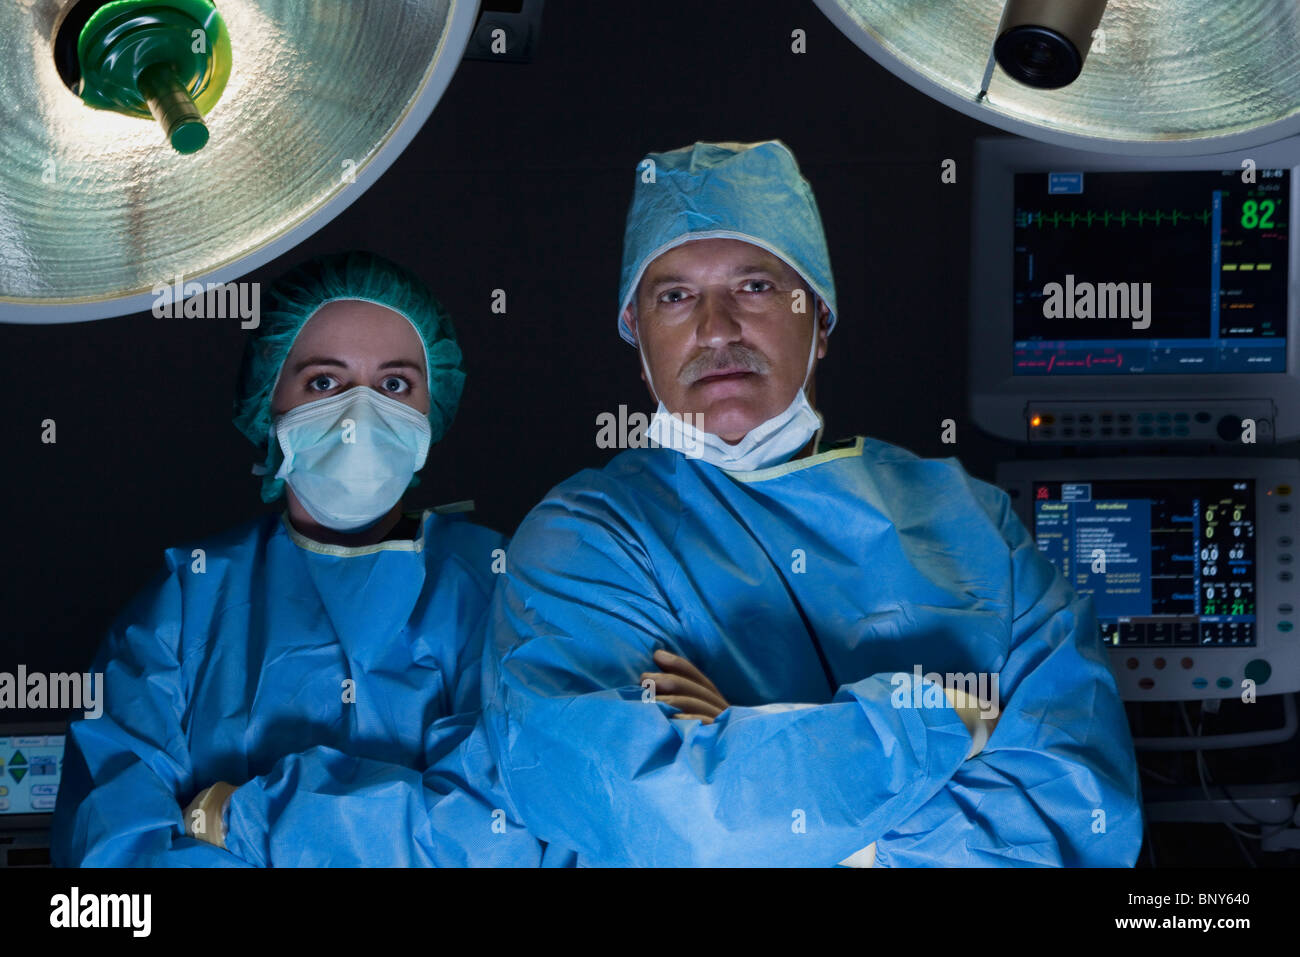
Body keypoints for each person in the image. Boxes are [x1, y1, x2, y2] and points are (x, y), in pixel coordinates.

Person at [483, 140, 1144, 867]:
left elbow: (1074, 810)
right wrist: (944, 714)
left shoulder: (969, 525)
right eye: (675, 296)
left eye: (755, 286)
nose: (715, 328)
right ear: (637, 336)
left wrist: (751, 737)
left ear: (820, 317)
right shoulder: (582, 541)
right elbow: (665, 816)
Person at [53, 251, 558, 866]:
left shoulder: (501, 588)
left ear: (432, 409)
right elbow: (117, 859)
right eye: (324, 383)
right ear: (270, 401)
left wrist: (239, 816)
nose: (360, 414)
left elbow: (501, 834)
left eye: (394, 385)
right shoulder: (185, 606)